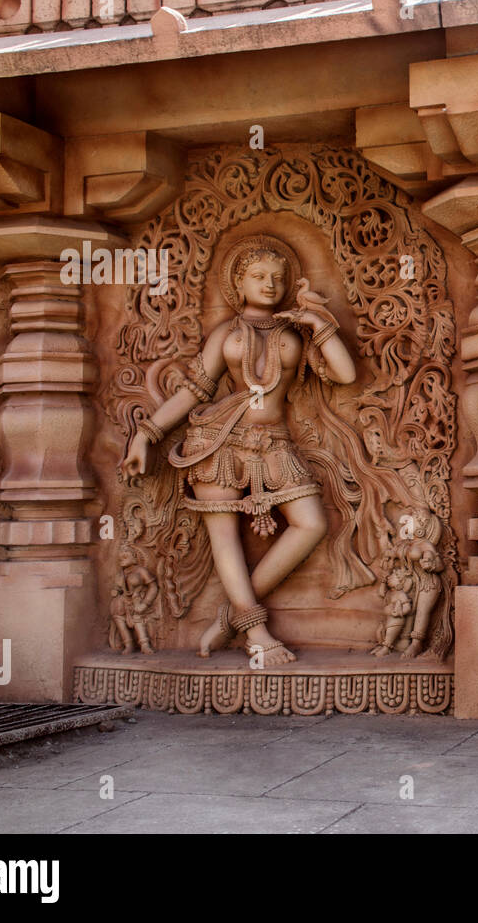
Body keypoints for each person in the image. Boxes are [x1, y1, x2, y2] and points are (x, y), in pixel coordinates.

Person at [120, 235, 357, 666]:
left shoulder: (295, 331)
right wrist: (146, 433)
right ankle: (257, 633)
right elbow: (194, 392)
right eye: (258, 276)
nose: (269, 284)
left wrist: (316, 320)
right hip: (218, 441)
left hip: (276, 443)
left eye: (278, 278)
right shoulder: (225, 333)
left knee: (311, 523)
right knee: (224, 537)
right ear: (238, 282)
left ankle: (230, 620)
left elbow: (344, 373)